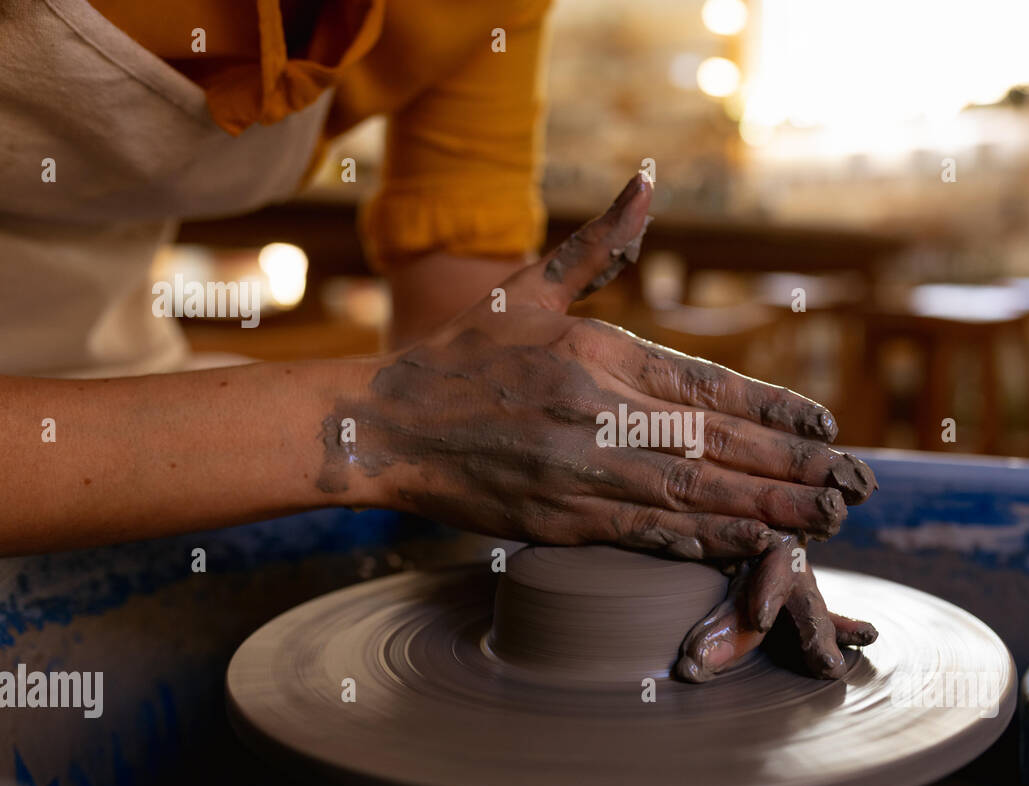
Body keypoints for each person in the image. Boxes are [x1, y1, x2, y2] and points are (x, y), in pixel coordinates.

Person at [0, 0, 877, 680]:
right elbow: (415, 421)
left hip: (134, 402)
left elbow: (477, 368)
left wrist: (662, 494)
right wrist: (369, 429)